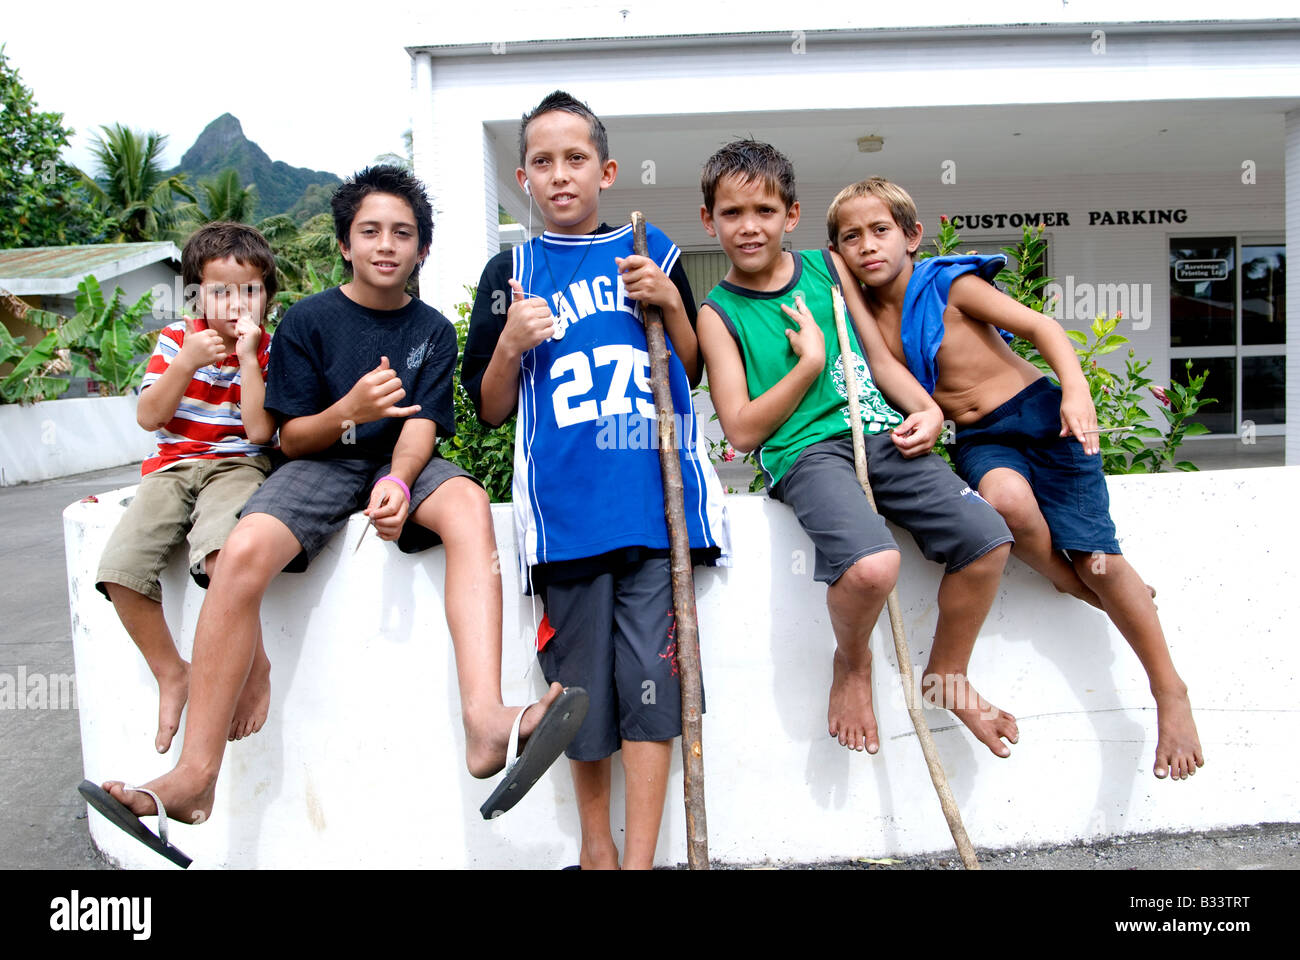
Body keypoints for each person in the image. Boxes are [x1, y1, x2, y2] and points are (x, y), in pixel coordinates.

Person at [86, 166, 581, 864]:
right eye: (370, 231)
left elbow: (421, 426)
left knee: (468, 503)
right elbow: (288, 439)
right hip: (318, 462)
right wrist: (349, 412)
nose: (386, 244)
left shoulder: (432, 330)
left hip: (396, 463)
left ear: (422, 251)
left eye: (402, 233)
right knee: (246, 543)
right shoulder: (309, 321)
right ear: (345, 244)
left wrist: (404, 483)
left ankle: (486, 721)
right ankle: (195, 777)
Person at [827, 175, 1203, 780]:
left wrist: (1077, 394)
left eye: (880, 230)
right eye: (851, 238)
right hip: (980, 438)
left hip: (1040, 415)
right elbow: (877, 364)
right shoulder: (866, 316)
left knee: (1100, 560)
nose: (867, 245)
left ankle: (1170, 692)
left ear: (912, 235)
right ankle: (1072, 583)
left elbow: (1042, 328)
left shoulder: (949, 286)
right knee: (1005, 502)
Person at [462, 91, 730, 869]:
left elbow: (690, 370)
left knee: (654, 689)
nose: (560, 175)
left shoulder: (653, 252)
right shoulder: (509, 271)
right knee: (580, 698)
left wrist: (671, 305)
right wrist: (509, 343)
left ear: (606, 170)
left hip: (655, 514)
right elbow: (489, 408)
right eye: (542, 163)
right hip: (567, 520)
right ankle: (596, 853)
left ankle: (639, 860)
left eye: (575, 158)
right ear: (522, 177)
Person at [697, 140, 1017, 761]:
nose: (748, 226)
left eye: (764, 211)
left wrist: (926, 408)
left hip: (881, 433)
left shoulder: (827, 266)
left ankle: (946, 677)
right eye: (731, 213)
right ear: (710, 220)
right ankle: (851, 664)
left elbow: (876, 358)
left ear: (790, 215)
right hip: (806, 454)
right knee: (872, 567)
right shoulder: (718, 312)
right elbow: (739, 431)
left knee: (987, 538)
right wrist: (808, 365)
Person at [95, 221, 276, 755]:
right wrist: (187, 362)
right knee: (119, 571)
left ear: (266, 292)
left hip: (237, 466)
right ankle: (172, 672)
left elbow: (262, 431)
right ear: (197, 293)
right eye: (220, 290)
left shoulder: (269, 348)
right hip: (171, 467)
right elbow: (150, 417)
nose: (235, 302)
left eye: (249, 290)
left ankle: (256, 663)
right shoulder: (176, 338)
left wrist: (246, 359)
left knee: (223, 556)